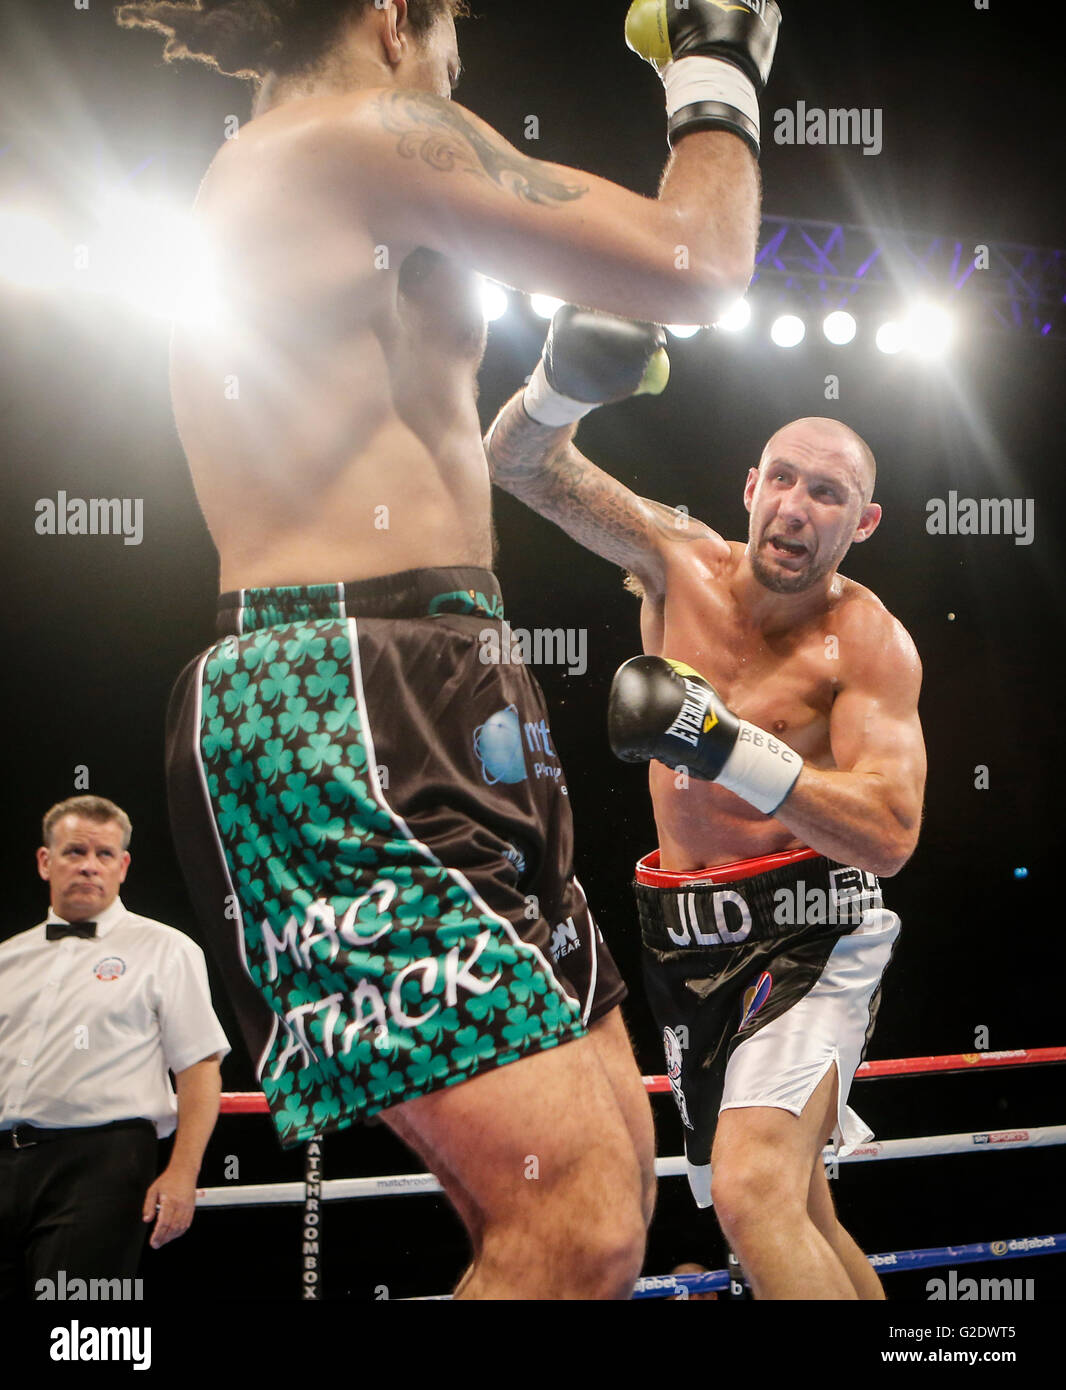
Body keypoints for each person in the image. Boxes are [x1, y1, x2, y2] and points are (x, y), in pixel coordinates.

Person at [113, 0, 784, 1298]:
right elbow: (695, 260)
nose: (455, 76)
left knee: (601, 1186)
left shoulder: (329, 172)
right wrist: (717, 58)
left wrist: (560, 398)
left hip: (451, 675)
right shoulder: (352, 132)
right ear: (390, 18)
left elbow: (437, 442)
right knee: (576, 1214)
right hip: (336, 691)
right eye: (451, 49)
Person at [484, 307, 927, 1300]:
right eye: (781, 479)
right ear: (748, 488)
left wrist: (725, 745)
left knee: (751, 1194)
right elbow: (518, 465)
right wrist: (558, 385)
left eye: (828, 493)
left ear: (861, 524)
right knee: (799, 1201)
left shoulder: (867, 644)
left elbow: (891, 834)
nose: (796, 506)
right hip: (682, 939)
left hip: (811, 928)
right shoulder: (675, 559)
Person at [0, 796, 229, 1300]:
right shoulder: (7, 959)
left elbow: (200, 1068)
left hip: (103, 1164)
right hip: (6, 1155)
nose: (88, 864)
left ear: (123, 866)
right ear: (45, 862)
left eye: (104, 854)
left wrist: (183, 1172)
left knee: (81, 1322)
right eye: (74, 851)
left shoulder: (167, 949)